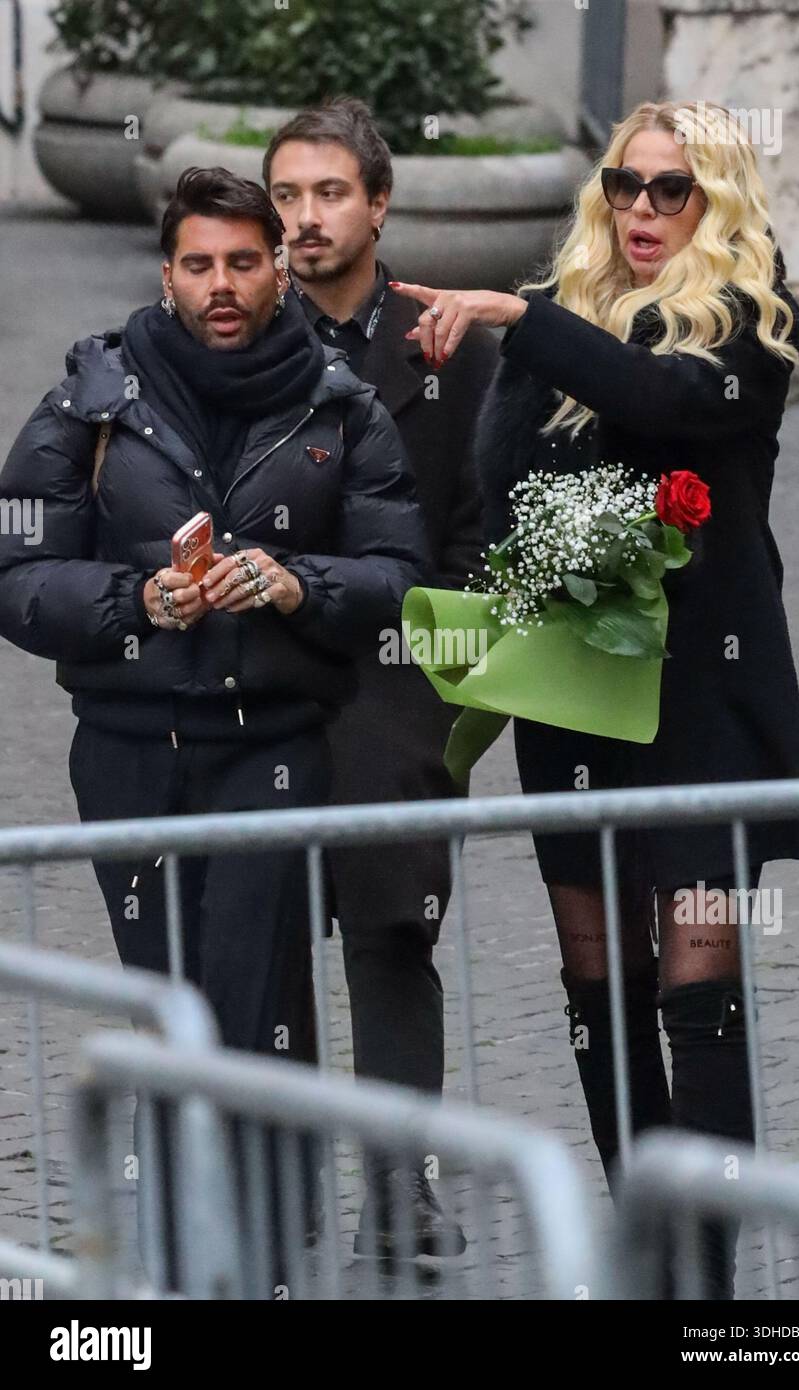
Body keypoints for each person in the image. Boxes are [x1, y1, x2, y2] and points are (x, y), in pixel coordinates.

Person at [392, 100, 799, 1298]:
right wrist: (554, 537)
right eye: (624, 185)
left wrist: (516, 319)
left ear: (715, 198)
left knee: (700, 990)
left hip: (703, 698)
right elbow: (499, 479)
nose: (640, 209)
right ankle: (648, 1251)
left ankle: (710, 1284)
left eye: (670, 190)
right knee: (600, 988)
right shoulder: (566, 309)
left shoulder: (755, 316)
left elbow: (673, 406)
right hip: (578, 699)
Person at [0, 166, 428, 1277]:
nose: (222, 285)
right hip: (130, 753)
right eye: (199, 263)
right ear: (167, 273)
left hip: (273, 750)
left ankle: (253, 1253)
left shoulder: (339, 403)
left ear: (277, 266)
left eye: (244, 261)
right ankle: (197, 1255)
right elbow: (15, 574)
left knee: (243, 1006)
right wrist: (129, 600)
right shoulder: (89, 397)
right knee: (170, 1008)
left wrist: (301, 586)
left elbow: (395, 572)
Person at [263, 97, 499, 1258]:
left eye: (328, 194)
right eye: (287, 197)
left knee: (391, 935)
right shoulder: (239, 332)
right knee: (258, 938)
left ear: (379, 201)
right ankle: (280, 1188)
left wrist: (434, 695)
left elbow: (482, 537)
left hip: (398, 684)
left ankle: (400, 1187)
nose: (304, 220)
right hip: (254, 680)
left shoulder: (450, 340)